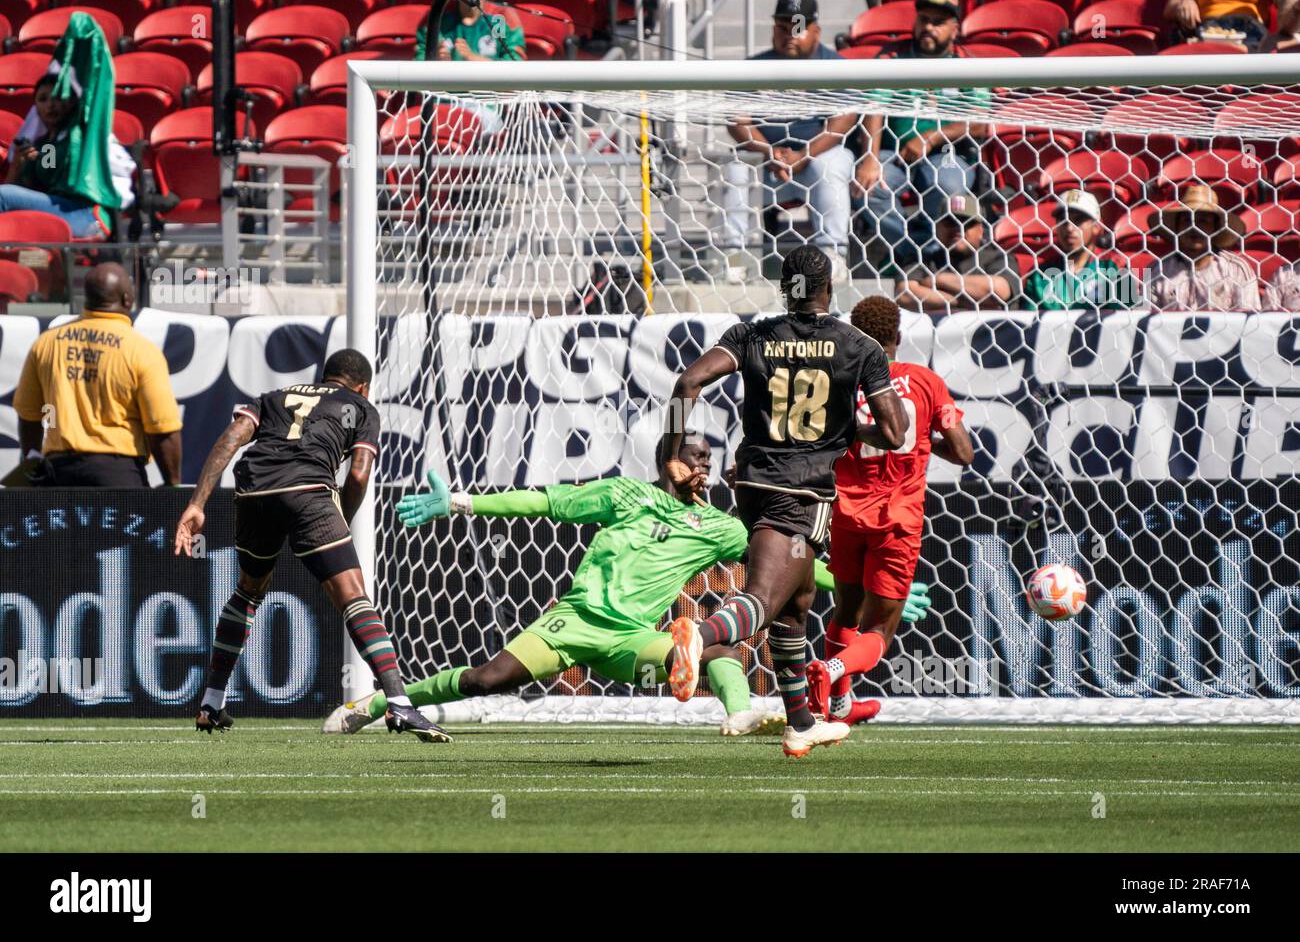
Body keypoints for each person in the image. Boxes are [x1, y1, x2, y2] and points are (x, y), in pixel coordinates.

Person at [322, 434, 931, 738]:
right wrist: (460, 501)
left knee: (716, 652)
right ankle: (376, 704)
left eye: (709, 460)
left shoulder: (719, 527)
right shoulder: (624, 495)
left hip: (629, 641)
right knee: (488, 679)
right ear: (667, 461)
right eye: (694, 456)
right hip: (573, 621)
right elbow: (542, 502)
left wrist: (868, 584)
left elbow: (793, 569)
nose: (704, 467)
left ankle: (740, 717)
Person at [660, 245, 907, 758]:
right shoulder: (859, 346)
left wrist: (670, 455)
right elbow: (894, 431)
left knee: (795, 609)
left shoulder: (751, 335)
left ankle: (799, 722)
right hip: (803, 491)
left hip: (750, 484)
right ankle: (699, 639)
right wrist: (846, 429)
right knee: (767, 598)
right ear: (830, 288)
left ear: (782, 287)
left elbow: (689, 381)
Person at [173, 349, 450, 743]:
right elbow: (357, 475)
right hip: (309, 492)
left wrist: (197, 504)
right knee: (353, 596)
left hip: (253, 490)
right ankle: (400, 703)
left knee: (248, 593)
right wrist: (343, 521)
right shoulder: (360, 406)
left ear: (325, 376)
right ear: (363, 387)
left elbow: (232, 438)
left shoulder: (274, 396)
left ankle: (211, 701)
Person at [807, 295, 973, 725]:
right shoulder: (925, 382)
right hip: (897, 520)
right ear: (897, 336)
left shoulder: (837, 380)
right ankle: (832, 672)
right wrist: (922, 443)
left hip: (844, 512)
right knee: (879, 629)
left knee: (844, 610)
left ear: (854, 334)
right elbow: (963, 452)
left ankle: (838, 706)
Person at [720, 0, 856, 281]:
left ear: (816, 31)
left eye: (798, 27)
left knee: (832, 165)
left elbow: (844, 120)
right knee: (736, 168)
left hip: (815, 160)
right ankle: (736, 257)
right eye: (783, 28)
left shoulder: (835, 66)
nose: (790, 35)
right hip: (768, 163)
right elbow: (735, 120)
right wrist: (768, 152)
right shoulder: (754, 67)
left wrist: (805, 154)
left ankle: (833, 255)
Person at [13, 263, 181, 488]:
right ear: (126, 300)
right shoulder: (141, 350)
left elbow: (29, 415)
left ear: (87, 299)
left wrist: (32, 469)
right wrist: (173, 485)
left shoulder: (46, 343)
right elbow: (162, 430)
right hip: (119, 473)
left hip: (58, 473)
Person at [857, 0, 990, 271]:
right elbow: (874, 106)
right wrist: (870, 158)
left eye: (938, 22)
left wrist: (931, 138)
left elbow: (979, 120)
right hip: (896, 153)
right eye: (924, 19)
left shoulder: (965, 63)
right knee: (868, 187)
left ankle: (930, 255)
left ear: (955, 29)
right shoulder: (893, 57)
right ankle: (914, 248)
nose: (928, 27)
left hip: (948, 154)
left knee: (948, 186)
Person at [0, 14, 125, 239]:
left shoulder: (81, 131)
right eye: (43, 99)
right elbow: (41, 184)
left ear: (72, 101)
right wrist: (18, 166)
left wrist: (83, 38)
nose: (51, 105)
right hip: (56, 212)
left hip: (84, 216)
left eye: (58, 97)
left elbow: (94, 85)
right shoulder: (48, 145)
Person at [413, 0, 525, 136]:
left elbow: (516, 70)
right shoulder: (438, 15)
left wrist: (475, 59)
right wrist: (434, 61)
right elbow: (418, 65)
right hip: (440, 106)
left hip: (485, 107)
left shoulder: (500, 18)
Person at [1146, 184, 1262, 311]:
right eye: (1187, 220)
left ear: (1216, 228)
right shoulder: (1156, 270)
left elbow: (1250, 324)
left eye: (1203, 221)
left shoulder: (1236, 269)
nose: (1194, 228)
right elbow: (1143, 323)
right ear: (1176, 228)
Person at [896, 193, 1020, 311]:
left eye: (967, 223)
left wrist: (937, 280)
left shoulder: (999, 257)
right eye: (951, 222)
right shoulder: (922, 260)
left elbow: (998, 291)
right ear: (937, 228)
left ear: (981, 230)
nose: (959, 228)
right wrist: (962, 302)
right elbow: (905, 295)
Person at [1023, 190, 1141, 310]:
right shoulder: (1040, 275)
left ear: (1096, 227)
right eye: (1063, 220)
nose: (1069, 228)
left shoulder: (1115, 267)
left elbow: (1124, 323)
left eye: (1078, 220)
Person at [1165, 0, 1284, 51]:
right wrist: (1184, 2)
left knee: (1262, 44)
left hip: (1249, 27)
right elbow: (1169, 9)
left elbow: (1286, 7)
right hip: (1211, 27)